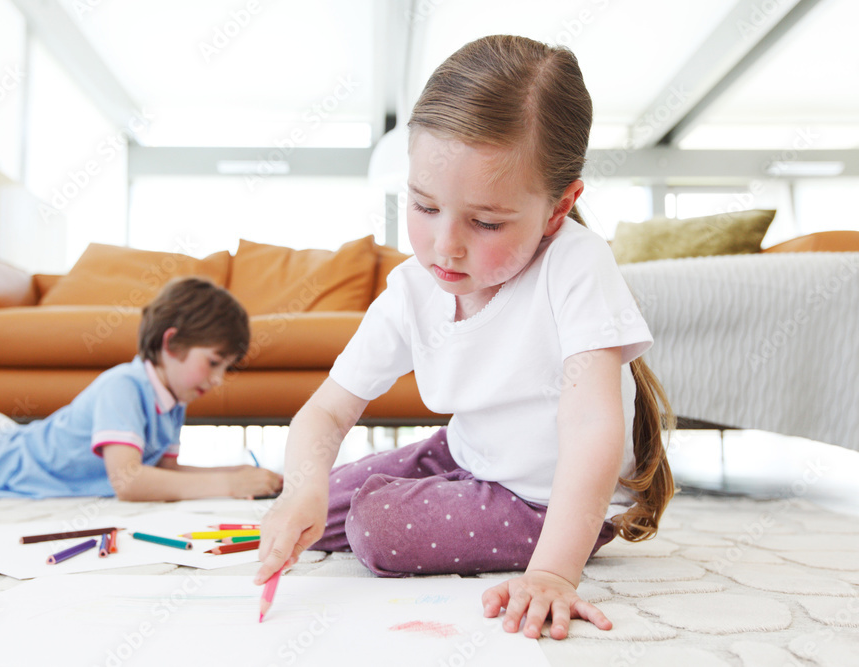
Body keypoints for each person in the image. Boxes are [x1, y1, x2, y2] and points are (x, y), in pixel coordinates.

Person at [255, 35, 673, 641]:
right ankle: (416, 492)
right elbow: (325, 412)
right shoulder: (411, 287)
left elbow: (591, 428)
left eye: (485, 222)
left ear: (559, 207)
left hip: (547, 498)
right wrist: (301, 489)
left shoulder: (576, 263)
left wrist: (553, 573)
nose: (445, 247)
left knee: (374, 527)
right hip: (469, 455)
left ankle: (488, 518)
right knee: (322, 499)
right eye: (425, 207)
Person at [0, 277, 282, 501]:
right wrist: (227, 486)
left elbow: (165, 474)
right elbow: (129, 481)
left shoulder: (173, 402)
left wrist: (235, 474)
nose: (218, 379)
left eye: (226, 368)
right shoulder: (124, 385)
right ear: (171, 344)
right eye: (213, 362)